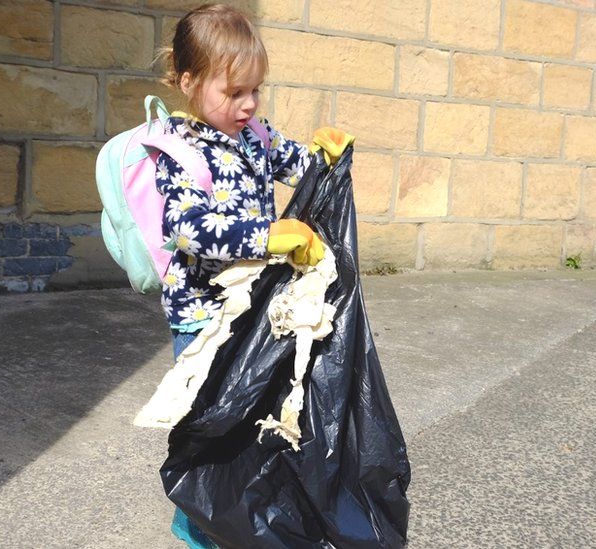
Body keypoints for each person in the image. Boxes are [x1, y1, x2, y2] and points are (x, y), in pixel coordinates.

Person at [155, 4, 349, 547]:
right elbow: (188, 228)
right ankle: (198, 527)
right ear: (189, 81)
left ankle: (236, 516)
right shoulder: (177, 149)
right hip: (202, 317)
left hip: (253, 306)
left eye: (255, 91)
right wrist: (267, 237)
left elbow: (295, 163)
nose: (248, 104)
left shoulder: (255, 134)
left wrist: (322, 155)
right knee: (211, 427)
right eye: (234, 91)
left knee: (249, 420)